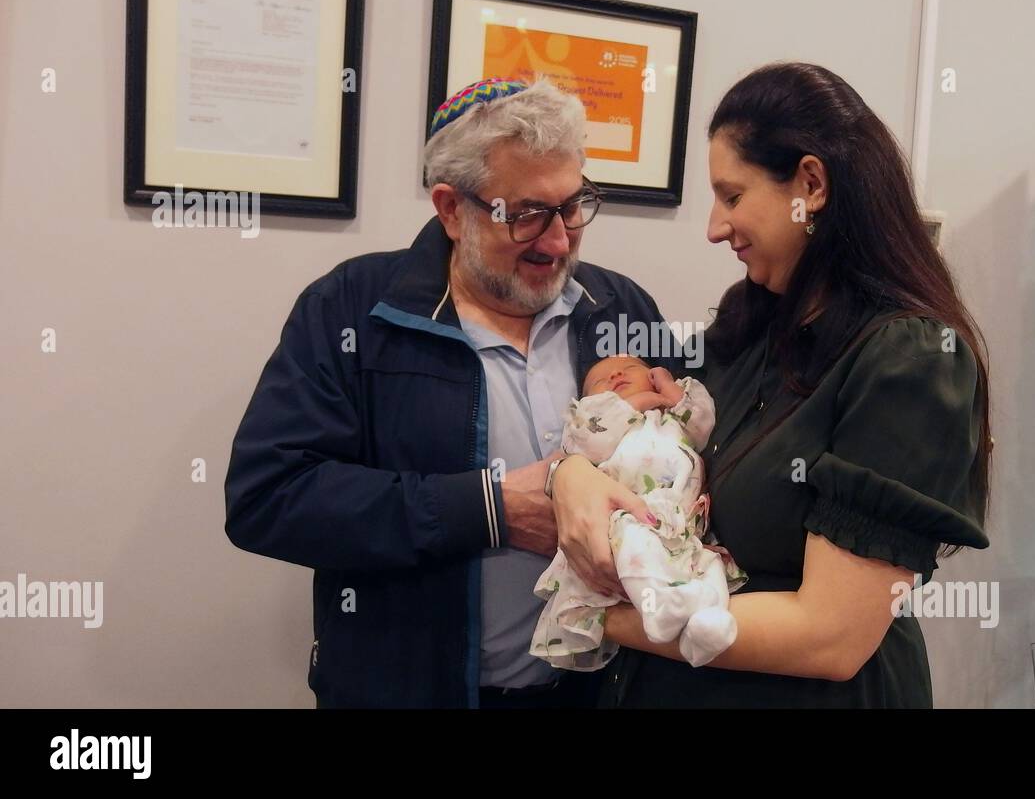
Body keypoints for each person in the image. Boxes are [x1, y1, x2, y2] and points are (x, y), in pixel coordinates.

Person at [551, 62, 993, 708]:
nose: (713, 226)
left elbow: (829, 637)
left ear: (809, 184)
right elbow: (652, 441)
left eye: (732, 197)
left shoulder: (908, 361)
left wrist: (598, 611)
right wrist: (572, 474)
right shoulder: (749, 320)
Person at [224, 78, 674, 708]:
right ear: (450, 209)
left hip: (593, 694)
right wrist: (488, 508)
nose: (557, 241)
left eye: (572, 207)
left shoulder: (619, 307)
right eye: (525, 215)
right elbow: (268, 497)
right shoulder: (352, 309)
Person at [530, 356, 745, 672]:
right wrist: (637, 402)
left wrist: (669, 392)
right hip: (629, 513)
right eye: (601, 381)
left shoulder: (674, 420)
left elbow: (703, 423)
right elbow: (588, 441)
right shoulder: (594, 423)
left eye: (631, 369)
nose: (615, 373)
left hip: (680, 524)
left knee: (707, 562)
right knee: (637, 546)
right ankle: (658, 609)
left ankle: (707, 622)